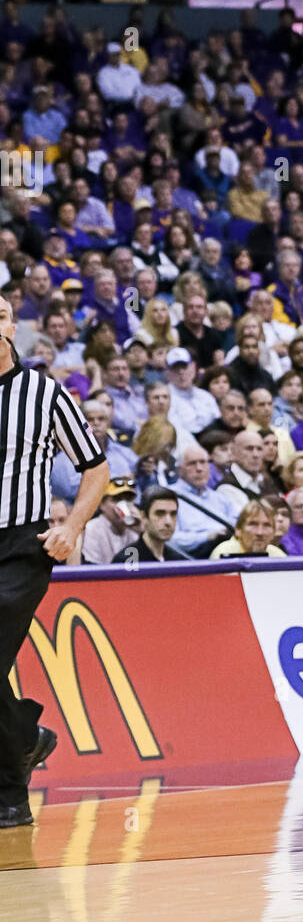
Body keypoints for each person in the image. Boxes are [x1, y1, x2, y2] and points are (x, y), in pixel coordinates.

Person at [0, 295, 109, 827]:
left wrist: (73, 525)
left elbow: (95, 467)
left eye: (0, 315)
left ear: (12, 328)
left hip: (22, 545)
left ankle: (13, 778)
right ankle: (24, 743)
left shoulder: (43, 393)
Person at [112, 487, 184, 564]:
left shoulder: (179, 560)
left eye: (173, 514)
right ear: (143, 516)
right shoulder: (125, 561)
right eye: (160, 513)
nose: (168, 522)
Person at [82, 477, 141, 565]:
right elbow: (93, 567)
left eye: (128, 500)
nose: (124, 505)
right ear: (102, 504)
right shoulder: (92, 529)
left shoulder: (136, 528)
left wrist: (142, 532)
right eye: (116, 500)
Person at [209, 498, 285, 558]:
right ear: (238, 530)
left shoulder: (277, 555)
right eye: (253, 524)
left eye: (266, 525)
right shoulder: (224, 553)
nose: (260, 532)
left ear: (273, 532)